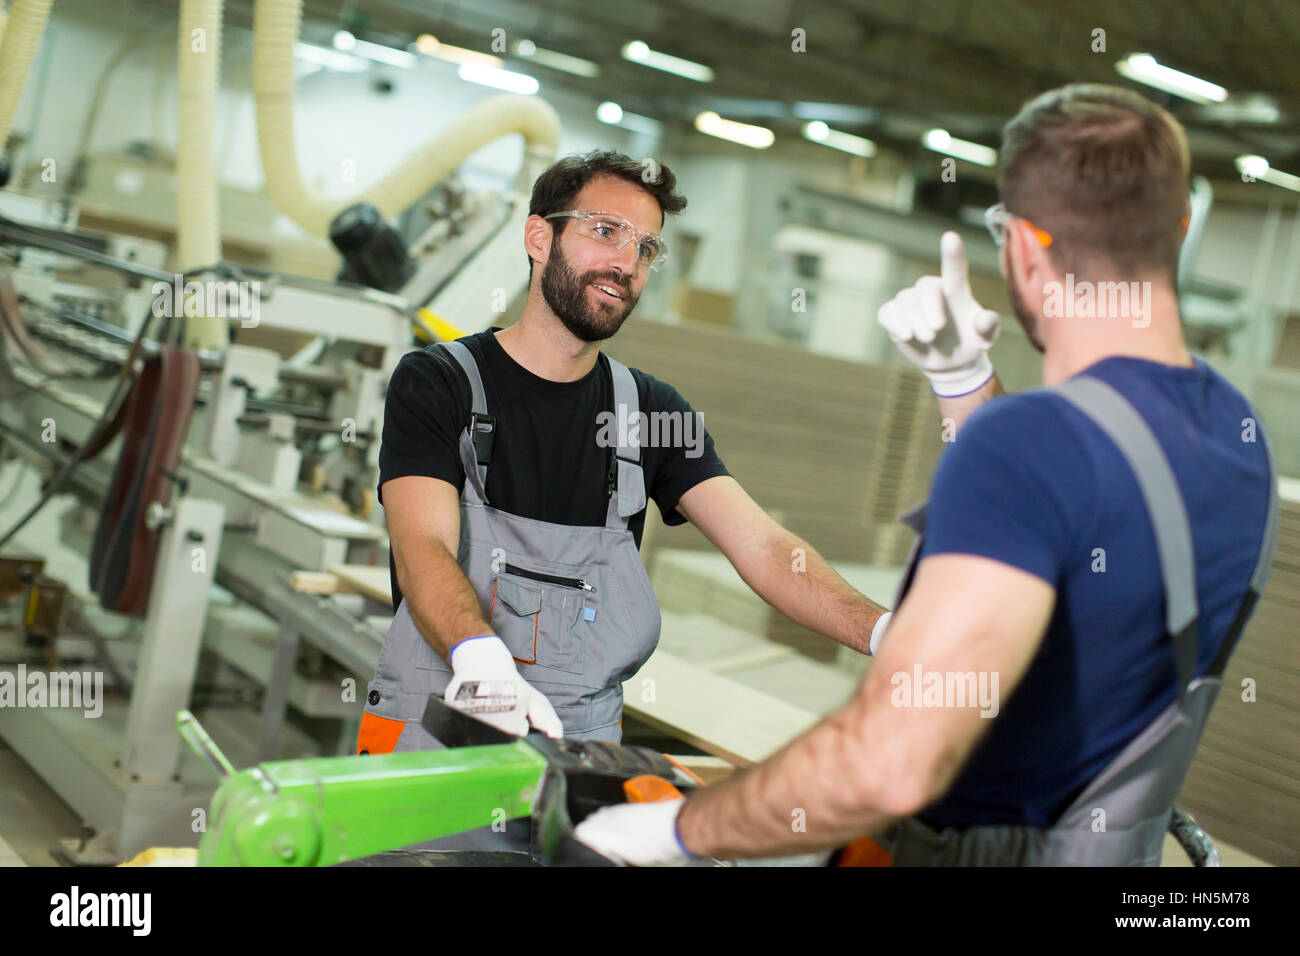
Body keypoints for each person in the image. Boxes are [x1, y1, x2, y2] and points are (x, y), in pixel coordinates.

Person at [574, 84, 1278, 866]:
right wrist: (963, 378)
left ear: (1021, 248)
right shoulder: (1236, 439)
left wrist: (672, 830)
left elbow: (891, 761)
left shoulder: (1031, 443)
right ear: (1179, 230)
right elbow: (1077, 510)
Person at [358, 150, 890, 760]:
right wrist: (480, 657)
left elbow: (766, 549)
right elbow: (421, 545)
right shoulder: (438, 382)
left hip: (579, 756)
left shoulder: (650, 413)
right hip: (437, 726)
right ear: (539, 236)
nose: (626, 262)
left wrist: (882, 631)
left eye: (645, 248)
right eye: (605, 231)